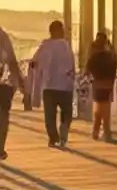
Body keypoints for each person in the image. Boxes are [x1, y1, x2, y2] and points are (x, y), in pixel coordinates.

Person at [31, 20, 77, 148]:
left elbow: (34, 62)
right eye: (61, 29)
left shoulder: (44, 46)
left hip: (49, 85)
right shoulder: (66, 46)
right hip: (65, 86)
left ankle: (53, 138)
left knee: (50, 116)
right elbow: (72, 65)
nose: (63, 32)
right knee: (66, 113)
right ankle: (62, 132)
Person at [0, 25, 27, 161]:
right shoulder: (3, 36)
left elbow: (11, 62)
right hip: (3, 83)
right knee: (3, 115)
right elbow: (12, 61)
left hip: (3, 83)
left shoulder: (3, 36)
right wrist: (21, 83)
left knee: (3, 114)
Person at [86, 33, 117, 141]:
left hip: (97, 84)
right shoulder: (110, 56)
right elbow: (114, 66)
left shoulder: (93, 56)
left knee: (97, 109)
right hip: (108, 84)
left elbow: (87, 70)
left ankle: (95, 132)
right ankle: (106, 133)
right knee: (106, 110)